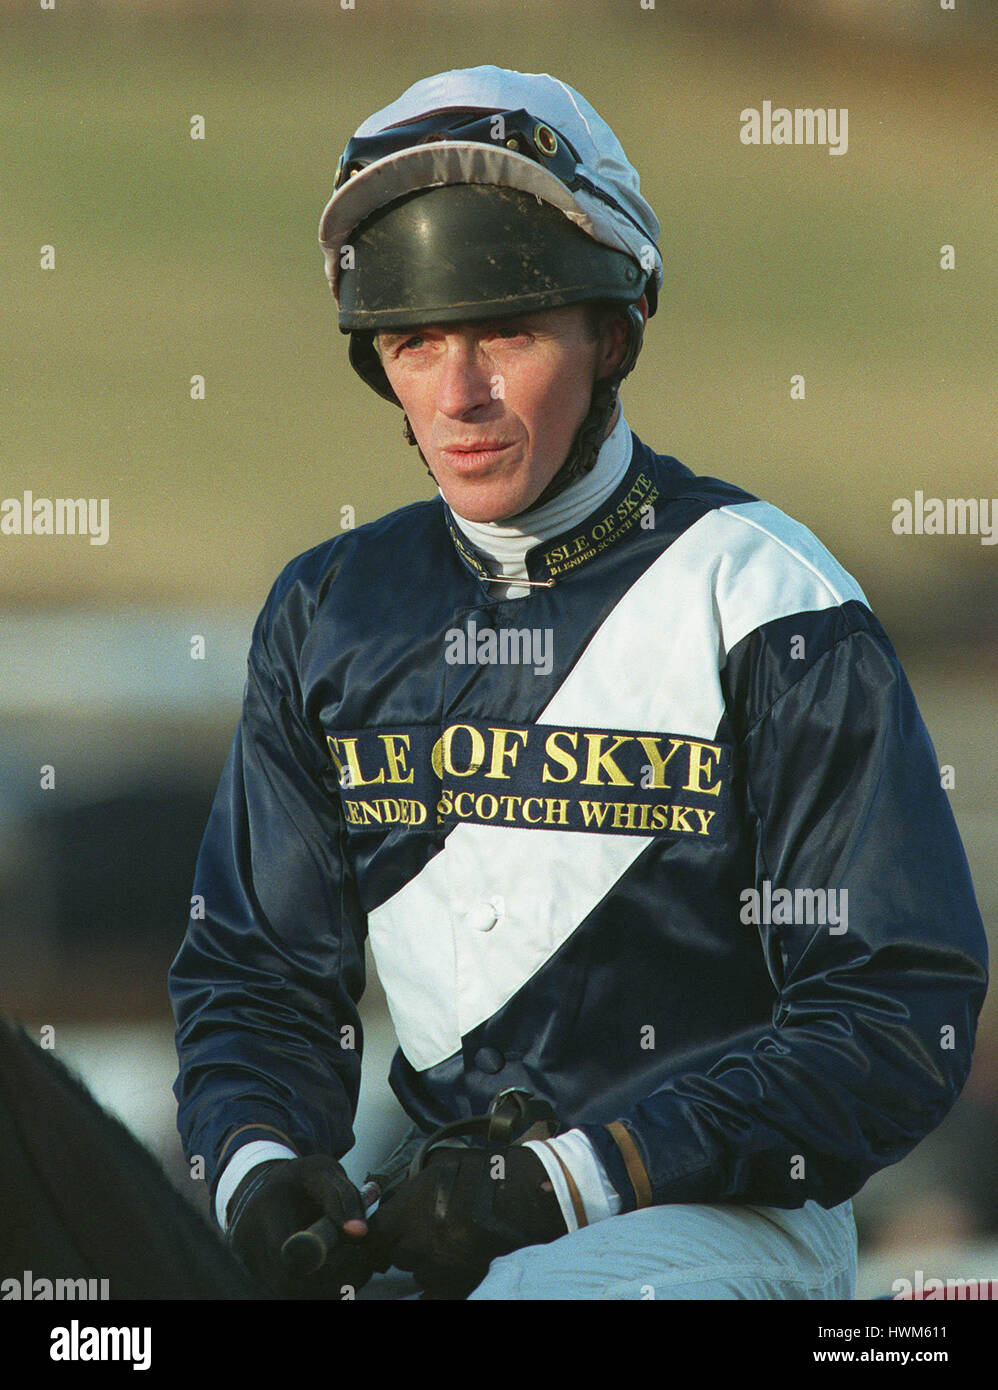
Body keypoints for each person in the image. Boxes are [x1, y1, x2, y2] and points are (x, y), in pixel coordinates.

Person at [169, 65, 988, 1301]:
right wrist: (259, 1162)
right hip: (432, 1219)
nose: (459, 395)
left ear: (610, 335)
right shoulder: (324, 610)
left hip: (728, 1229)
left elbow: (894, 1013)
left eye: (505, 332)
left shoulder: (770, 599)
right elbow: (258, 973)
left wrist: (584, 1174)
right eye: (414, 341)